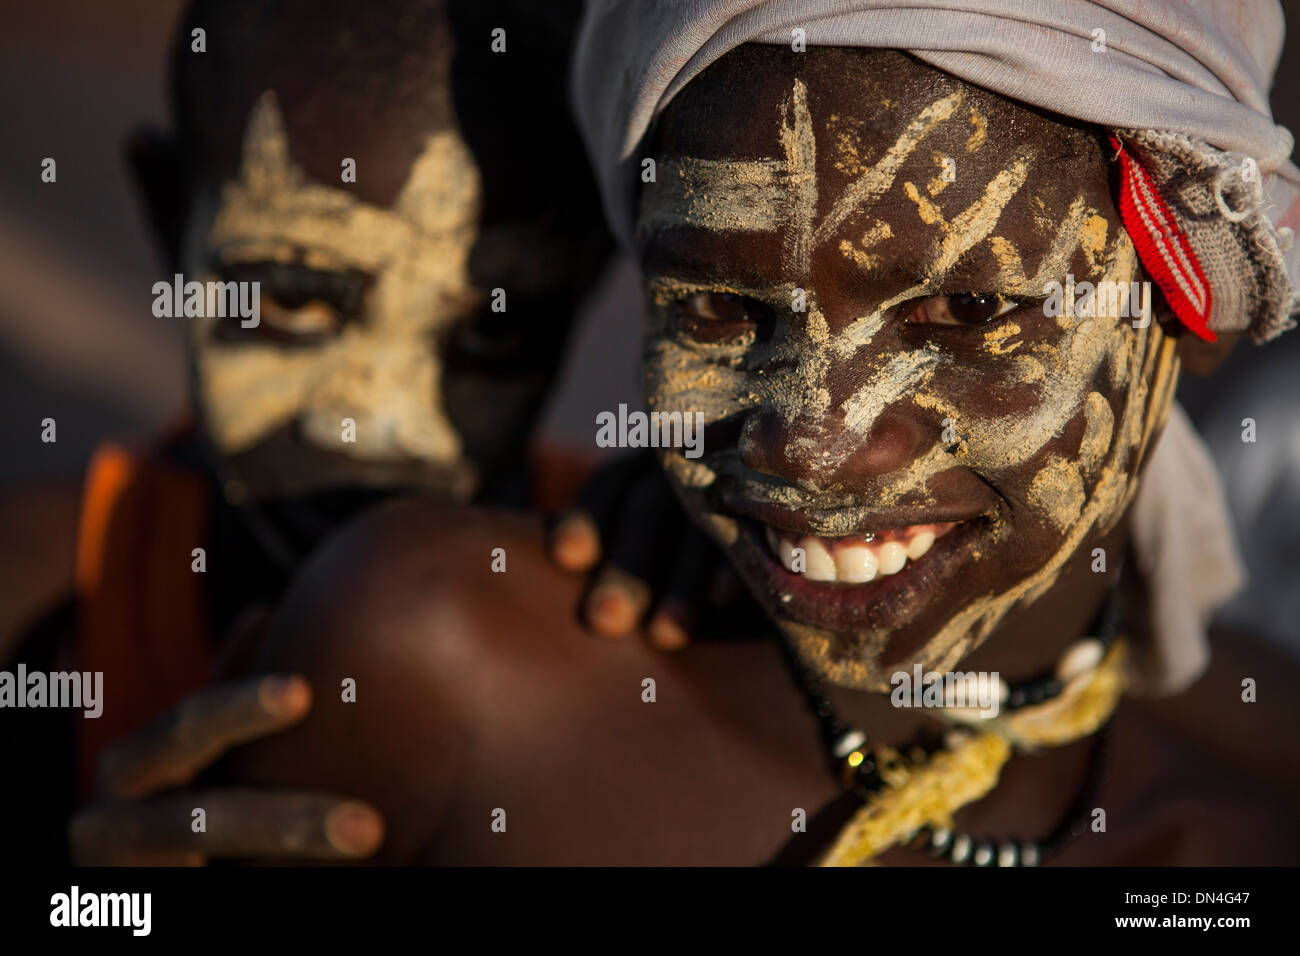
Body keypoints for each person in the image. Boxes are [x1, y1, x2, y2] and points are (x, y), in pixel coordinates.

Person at [216, 1, 1300, 864]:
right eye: (717, 309)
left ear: (1196, 298)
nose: (807, 442)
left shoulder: (1244, 822)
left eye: (968, 314)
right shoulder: (447, 678)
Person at [5, 0, 614, 865]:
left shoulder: (647, 609)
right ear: (168, 216)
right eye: (293, 298)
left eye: (494, 335)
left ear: (589, 278)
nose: (385, 426)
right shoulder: (45, 614)